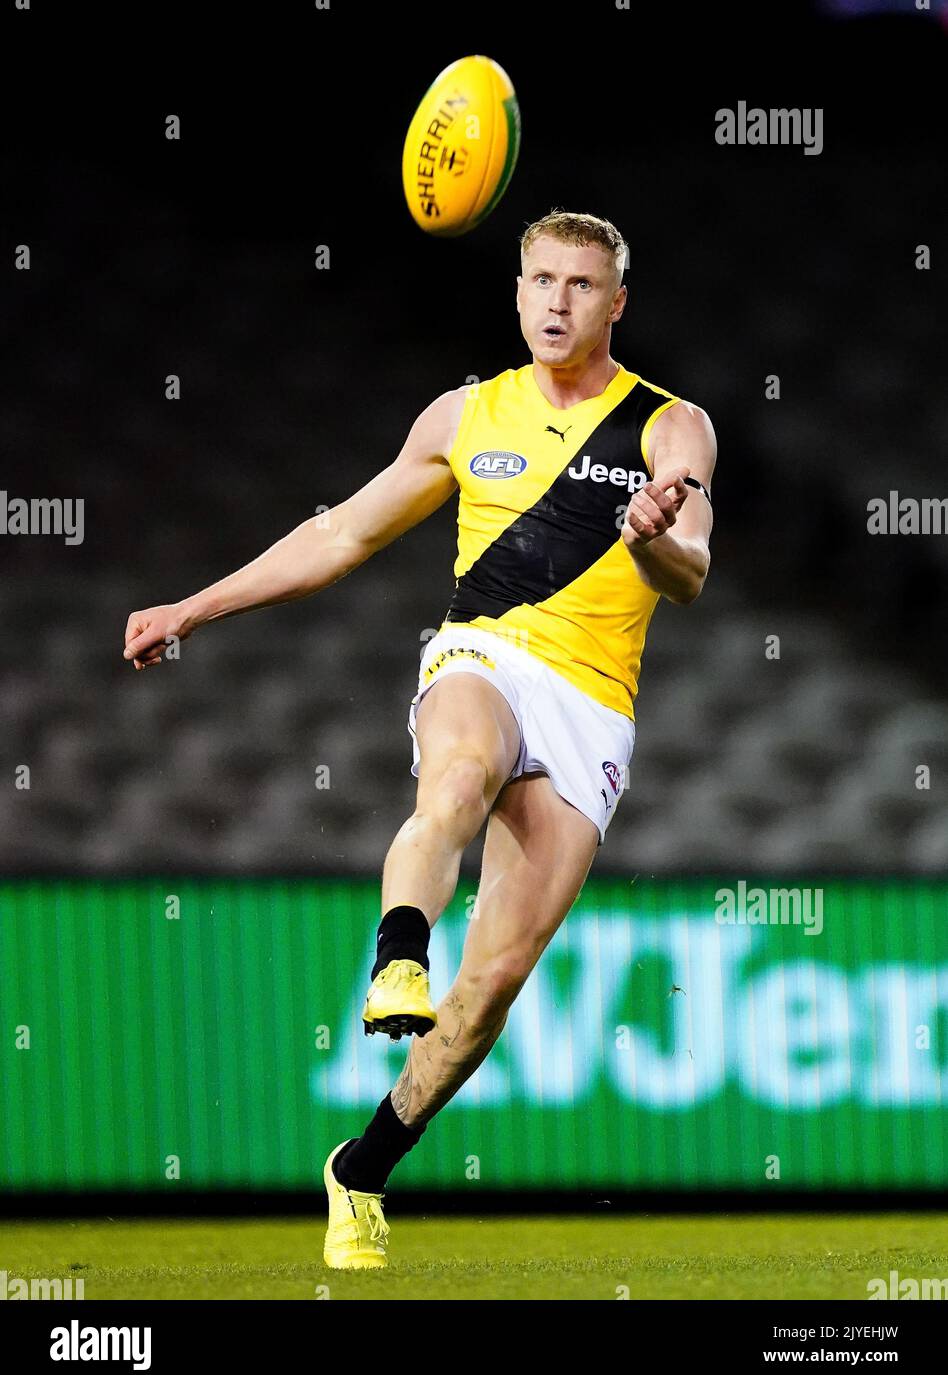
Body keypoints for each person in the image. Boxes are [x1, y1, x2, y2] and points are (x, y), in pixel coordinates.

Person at [123, 210, 717, 1270]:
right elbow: (341, 532)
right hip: (480, 655)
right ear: (518, 286)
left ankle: (361, 1169)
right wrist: (190, 608)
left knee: (491, 991)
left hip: (593, 706)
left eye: (582, 285)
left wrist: (657, 535)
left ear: (618, 301)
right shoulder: (463, 413)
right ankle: (399, 956)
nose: (556, 301)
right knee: (455, 773)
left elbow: (695, 571)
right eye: (540, 279)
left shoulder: (670, 428)